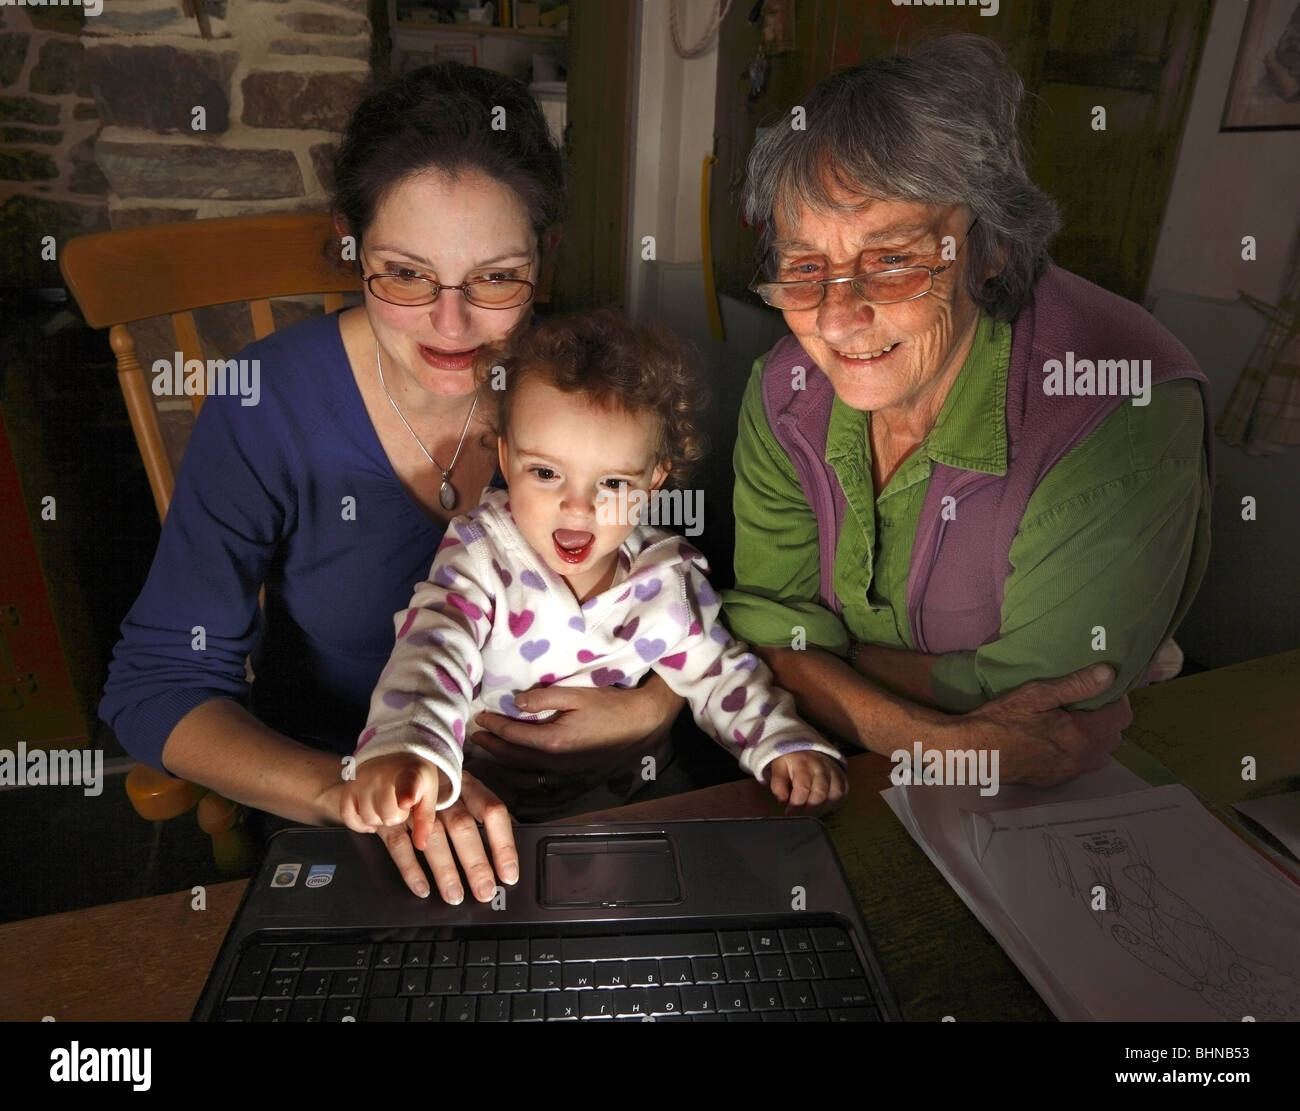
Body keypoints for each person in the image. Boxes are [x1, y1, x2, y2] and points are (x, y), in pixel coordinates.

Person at [99, 64, 686, 903]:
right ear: (351, 246)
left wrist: (654, 707)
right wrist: (348, 789)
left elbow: (680, 585)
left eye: (495, 278)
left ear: (543, 262)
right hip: (360, 822)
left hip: (587, 811)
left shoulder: (595, 391)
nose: (452, 326)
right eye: (406, 275)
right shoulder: (264, 401)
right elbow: (157, 680)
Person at [723, 33, 1212, 783]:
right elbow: (768, 633)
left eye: (891, 261)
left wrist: (823, 660)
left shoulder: (1118, 403)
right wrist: (939, 739)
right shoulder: (785, 387)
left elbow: (1049, 710)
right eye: (805, 267)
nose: (836, 316)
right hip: (827, 767)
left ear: (990, 248)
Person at [339, 311, 847, 865]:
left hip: (638, 805)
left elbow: (721, 673)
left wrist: (782, 744)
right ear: (506, 459)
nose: (578, 506)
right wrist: (407, 746)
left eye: (611, 482)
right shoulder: (482, 556)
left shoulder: (666, 580)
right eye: (546, 473)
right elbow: (432, 646)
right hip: (491, 818)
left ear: (654, 480)